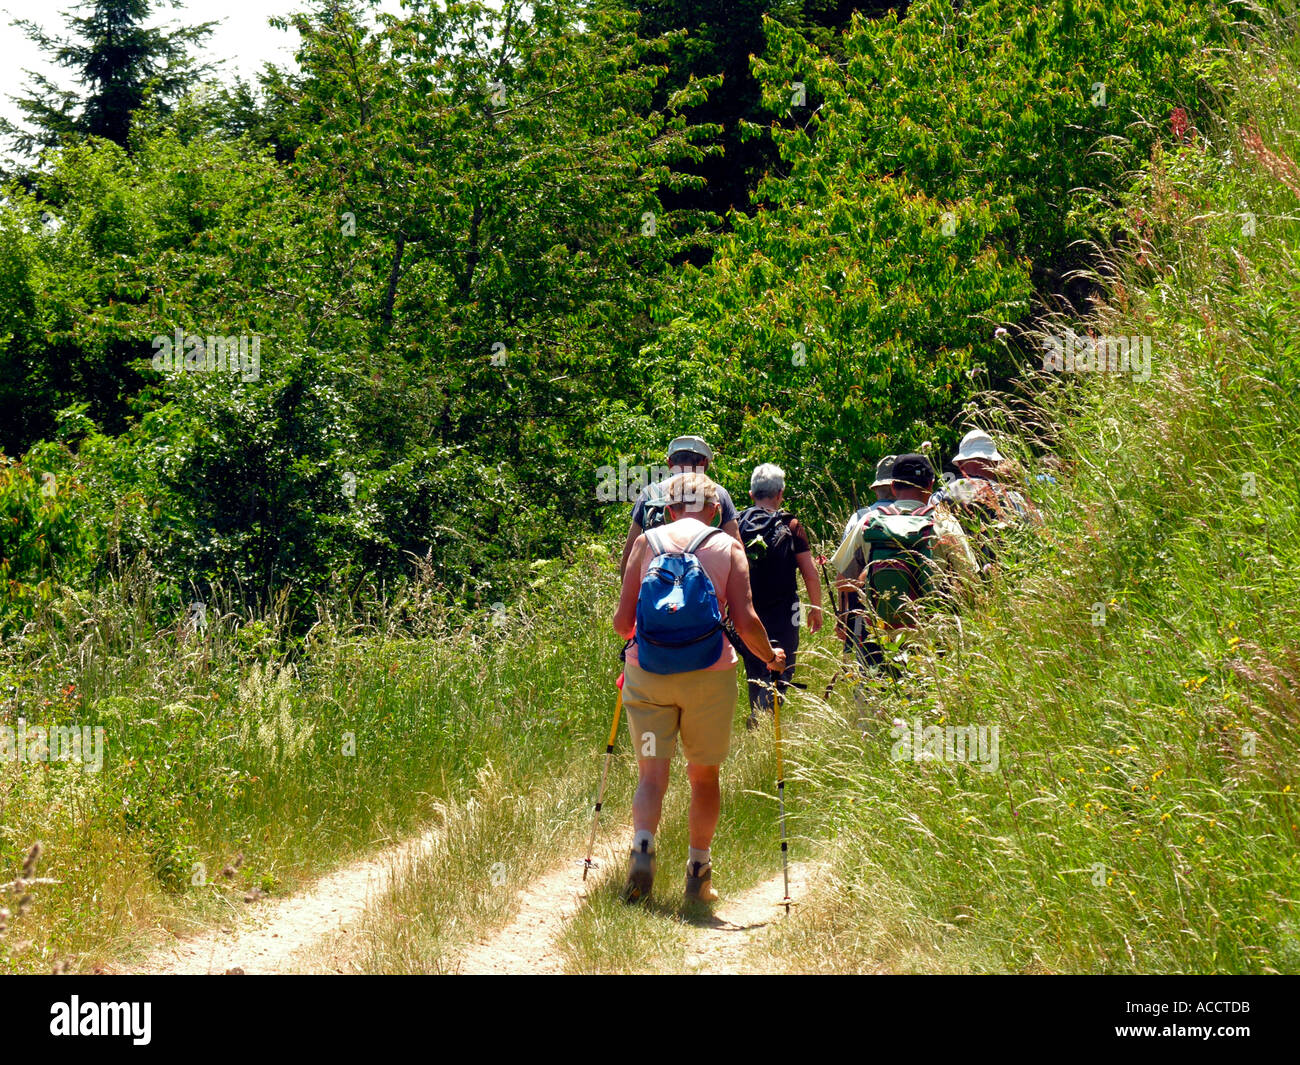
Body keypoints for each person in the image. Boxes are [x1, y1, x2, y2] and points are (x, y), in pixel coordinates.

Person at [613, 472, 786, 905]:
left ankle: (643, 848)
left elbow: (621, 624)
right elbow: (745, 622)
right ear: (714, 509)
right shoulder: (727, 546)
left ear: (668, 509)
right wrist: (770, 657)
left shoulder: (645, 543)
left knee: (652, 774)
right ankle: (698, 872)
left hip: (648, 676)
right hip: (709, 677)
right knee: (704, 776)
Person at [832, 454, 977, 671]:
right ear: (930, 485)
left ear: (892, 486)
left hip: (878, 639)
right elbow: (970, 583)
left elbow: (843, 581)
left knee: (879, 702)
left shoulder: (868, 523)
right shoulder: (944, 523)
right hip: (932, 641)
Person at [735, 464, 823, 728]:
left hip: (747, 610)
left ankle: (758, 717)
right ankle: (762, 717)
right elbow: (809, 573)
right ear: (780, 494)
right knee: (783, 667)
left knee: (755, 666)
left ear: (752, 495)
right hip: (786, 612)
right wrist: (815, 609)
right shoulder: (791, 525)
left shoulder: (736, 523)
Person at [619, 435, 741, 579]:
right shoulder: (718, 493)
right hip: (706, 588)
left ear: (670, 463)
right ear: (703, 463)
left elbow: (629, 552)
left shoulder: (650, 493)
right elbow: (736, 548)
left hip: (657, 588)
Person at [930, 429, 1043, 573]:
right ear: (995, 464)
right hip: (1005, 578)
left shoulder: (939, 496)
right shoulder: (1013, 498)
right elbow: (1035, 538)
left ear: (960, 464)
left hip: (959, 583)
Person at [829, 455, 896, 667]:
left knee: (869, 675)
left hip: (864, 615)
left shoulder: (860, 518)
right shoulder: (917, 517)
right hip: (908, 612)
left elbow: (844, 576)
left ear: (876, 489)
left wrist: (842, 618)